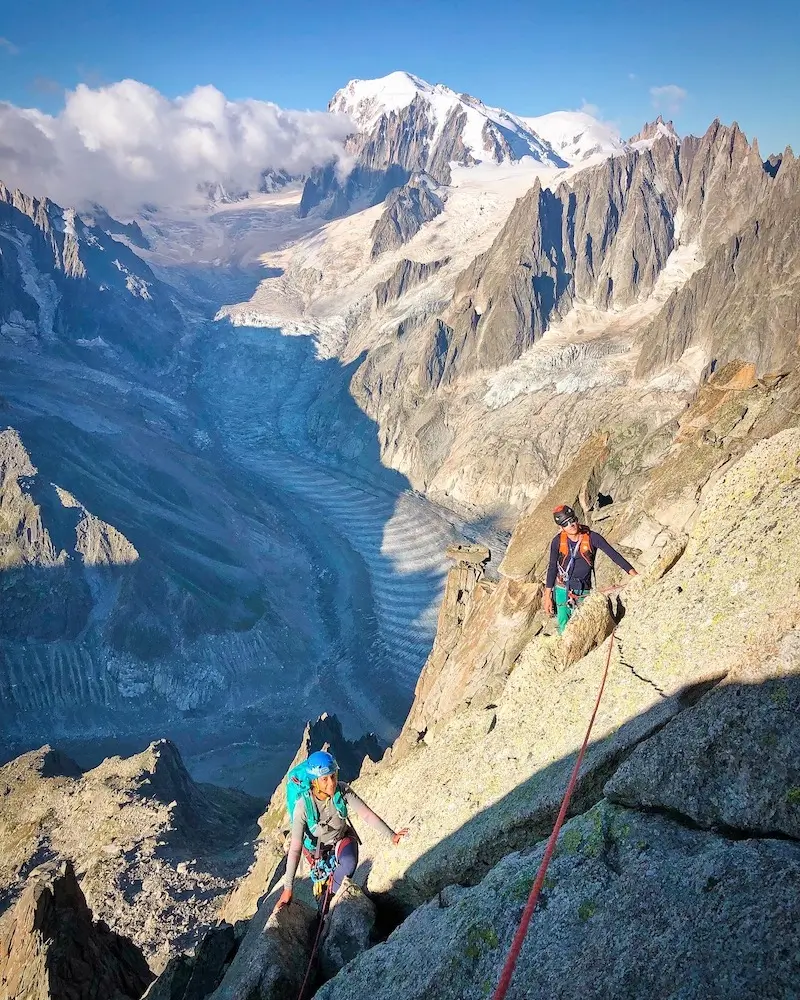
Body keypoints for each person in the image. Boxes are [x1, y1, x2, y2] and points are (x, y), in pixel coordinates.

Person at [273, 750, 408, 912]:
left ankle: (331, 900)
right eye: (325, 779)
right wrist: (288, 889)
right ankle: (326, 903)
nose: (331, 783)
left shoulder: (342, 790)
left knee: (348, 864)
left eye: (333, 776)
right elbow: (295, 848)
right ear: (314, 782)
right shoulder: (303, 807)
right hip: (317, 853)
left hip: (341, 839)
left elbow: (366, 814)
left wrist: (392, 835)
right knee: (328, 889)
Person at [543, 505, 638, 633]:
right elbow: (552, 568)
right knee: (563, 627)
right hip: (562, 589)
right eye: (566, 523)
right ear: (561, 528)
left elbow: (614, 556)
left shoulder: (592, 537)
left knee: (582, 627)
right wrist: (548, 597)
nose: (571, 525)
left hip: (583, 590)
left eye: (572, 520)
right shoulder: (557, 541)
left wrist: (635, 575)